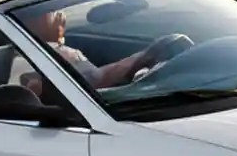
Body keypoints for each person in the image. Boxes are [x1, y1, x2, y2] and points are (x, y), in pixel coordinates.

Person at [10, 9, 154, 93]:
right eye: (53, 13)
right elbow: (100, 78)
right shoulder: (58, 54)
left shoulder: (9, 57)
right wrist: (146, 54)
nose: (61, 17)